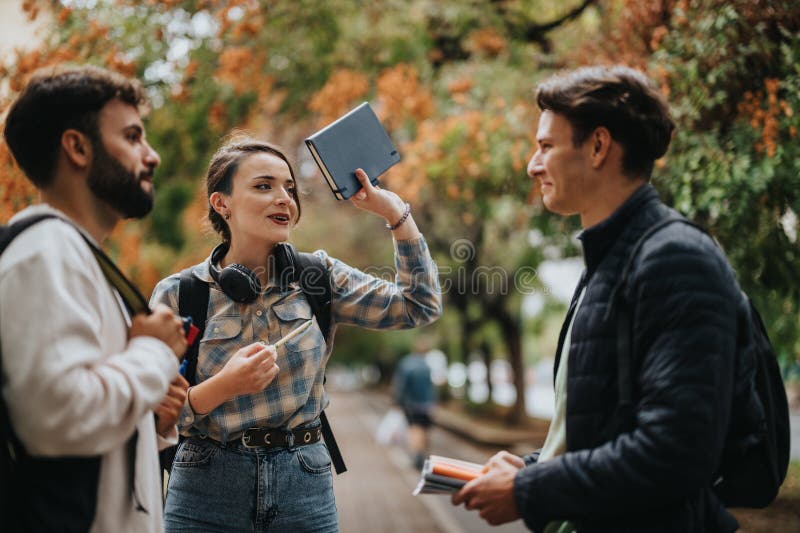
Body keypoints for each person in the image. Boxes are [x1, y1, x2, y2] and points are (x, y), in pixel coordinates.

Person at [452, 65, 744, 532]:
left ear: (598, 146)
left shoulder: (674, 259)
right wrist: (534, 467)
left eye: (546, 146)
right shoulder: (609, 260)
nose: (532, 164)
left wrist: (529, 491)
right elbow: (604, 429)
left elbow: (676, 452)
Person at [149, 136, 442, 532]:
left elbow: (419, 304)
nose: (284, 198)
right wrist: (223, 387)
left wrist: (393, 213)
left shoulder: (319, 278)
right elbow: (153, 415)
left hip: (303, 482)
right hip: (205, 485)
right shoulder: (178, 294)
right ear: (222, 204)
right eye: (263, 186)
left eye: (289, 188)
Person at [0, 65, 189, 532]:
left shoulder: (79, 258)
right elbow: (57, 417)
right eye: (132, 137)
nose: (153, 156)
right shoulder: (46, 254)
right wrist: (153, 354)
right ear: (78, 147)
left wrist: (153, 414)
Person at [394, 337, 436, 469]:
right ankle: (422, 453)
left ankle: (418, 455)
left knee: (414, 429)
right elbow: (431, 387)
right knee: (424, 429)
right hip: (427, 404)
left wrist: (398, 401)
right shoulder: (427, 366)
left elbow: (401, 385)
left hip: (411, 403)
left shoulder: (406, 363)